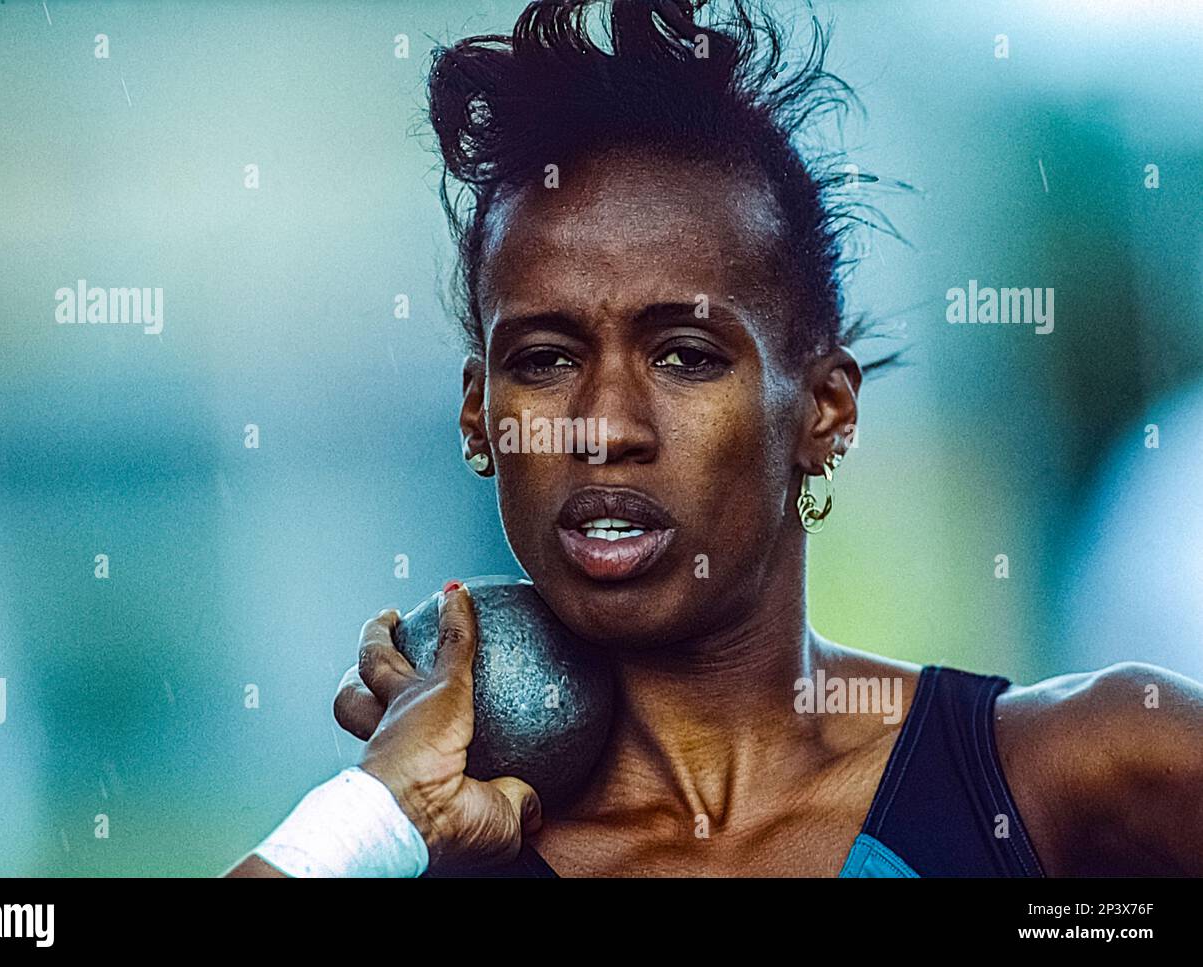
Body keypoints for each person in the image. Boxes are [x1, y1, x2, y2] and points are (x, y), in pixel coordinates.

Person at [226, 0, 1203, 877]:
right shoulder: (436, 849)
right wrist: (376, 819)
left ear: (824, 412)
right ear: (478, 417)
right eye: (544, 360)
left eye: (686, 355)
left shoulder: (1085, 774)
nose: (604, 426)